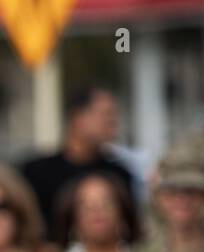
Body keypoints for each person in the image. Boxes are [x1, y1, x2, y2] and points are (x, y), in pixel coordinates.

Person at [20, 87, 138, 243]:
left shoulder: (119, 174)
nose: (113, 122)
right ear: (78, 118)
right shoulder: (36, 173)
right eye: (106, 114)